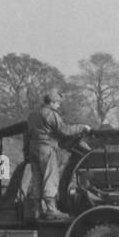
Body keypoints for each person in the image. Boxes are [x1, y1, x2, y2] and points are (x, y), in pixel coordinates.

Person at [27, 90, 87, 220]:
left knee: (37, 178)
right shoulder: (50, 114)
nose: (59, 106)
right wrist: (82, 127)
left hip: (33, 149)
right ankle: (51, 210)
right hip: (46, 148)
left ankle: (36, 210)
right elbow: (64, 130)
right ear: (52, 102)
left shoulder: (32, 115)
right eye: (58, 103)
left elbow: (28, 134)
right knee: (50, 177)